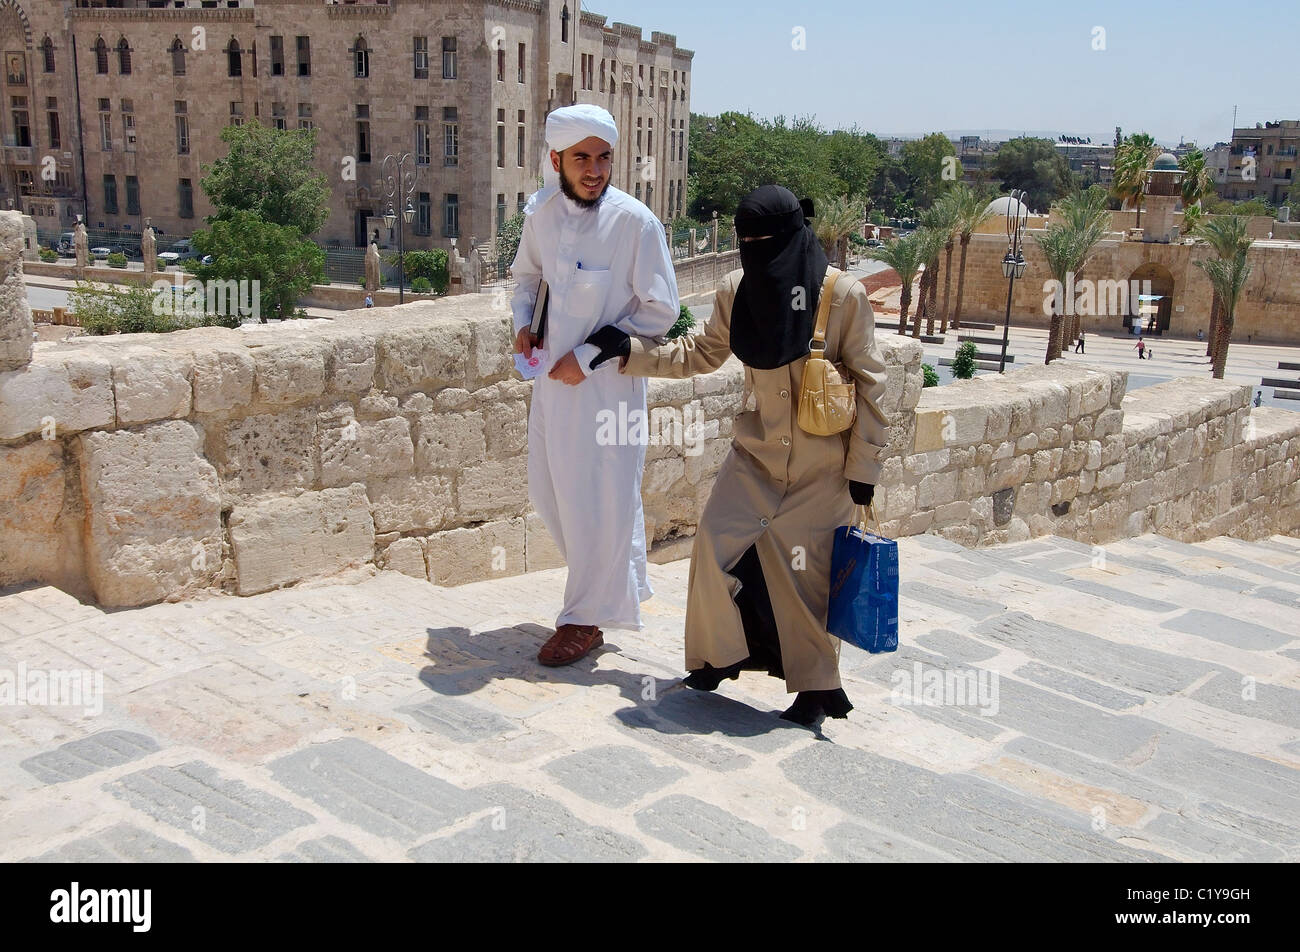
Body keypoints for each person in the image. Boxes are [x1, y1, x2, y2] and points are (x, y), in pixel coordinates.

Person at [587, 185, 890, 727]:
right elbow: (704, 352)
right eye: (745, 240)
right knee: (712, 545)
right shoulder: (738, 288)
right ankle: (715, 658)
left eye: (764, 240)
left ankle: (815, 691)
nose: (755, 249)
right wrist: (629, 350)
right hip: (754, 460)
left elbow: (871, 386)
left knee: (807, 579)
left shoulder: (842, 297)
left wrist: (863, 472)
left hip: (823, 471)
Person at [509, 103, 679, 667]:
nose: (595, 170)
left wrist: (586, 355)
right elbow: (527, 277)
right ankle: (603, 595)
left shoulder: (635, 224)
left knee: (602, 503)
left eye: (604, 157)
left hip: (608, 392)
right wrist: (524, 327)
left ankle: (582, 619)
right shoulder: (541, 213)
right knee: (552, 494)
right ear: (556, 159)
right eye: (582, 158)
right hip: (551, 390)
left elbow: (661, 311)